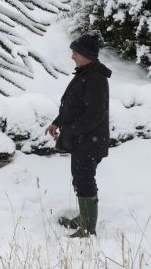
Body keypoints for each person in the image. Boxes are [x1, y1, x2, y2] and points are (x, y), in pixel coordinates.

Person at [45, 32, 111, 238]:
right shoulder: (84, 74)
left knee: (84, 180)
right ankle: (84, 218)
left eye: (75, 53)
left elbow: (95, 114)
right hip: (84, 141)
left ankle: (87, 228)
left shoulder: (95, 78)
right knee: (80, 178)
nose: (72, 56)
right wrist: (58, 121)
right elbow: (73, 107)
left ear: (86, 54)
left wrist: (71, 129)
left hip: (89, 142)